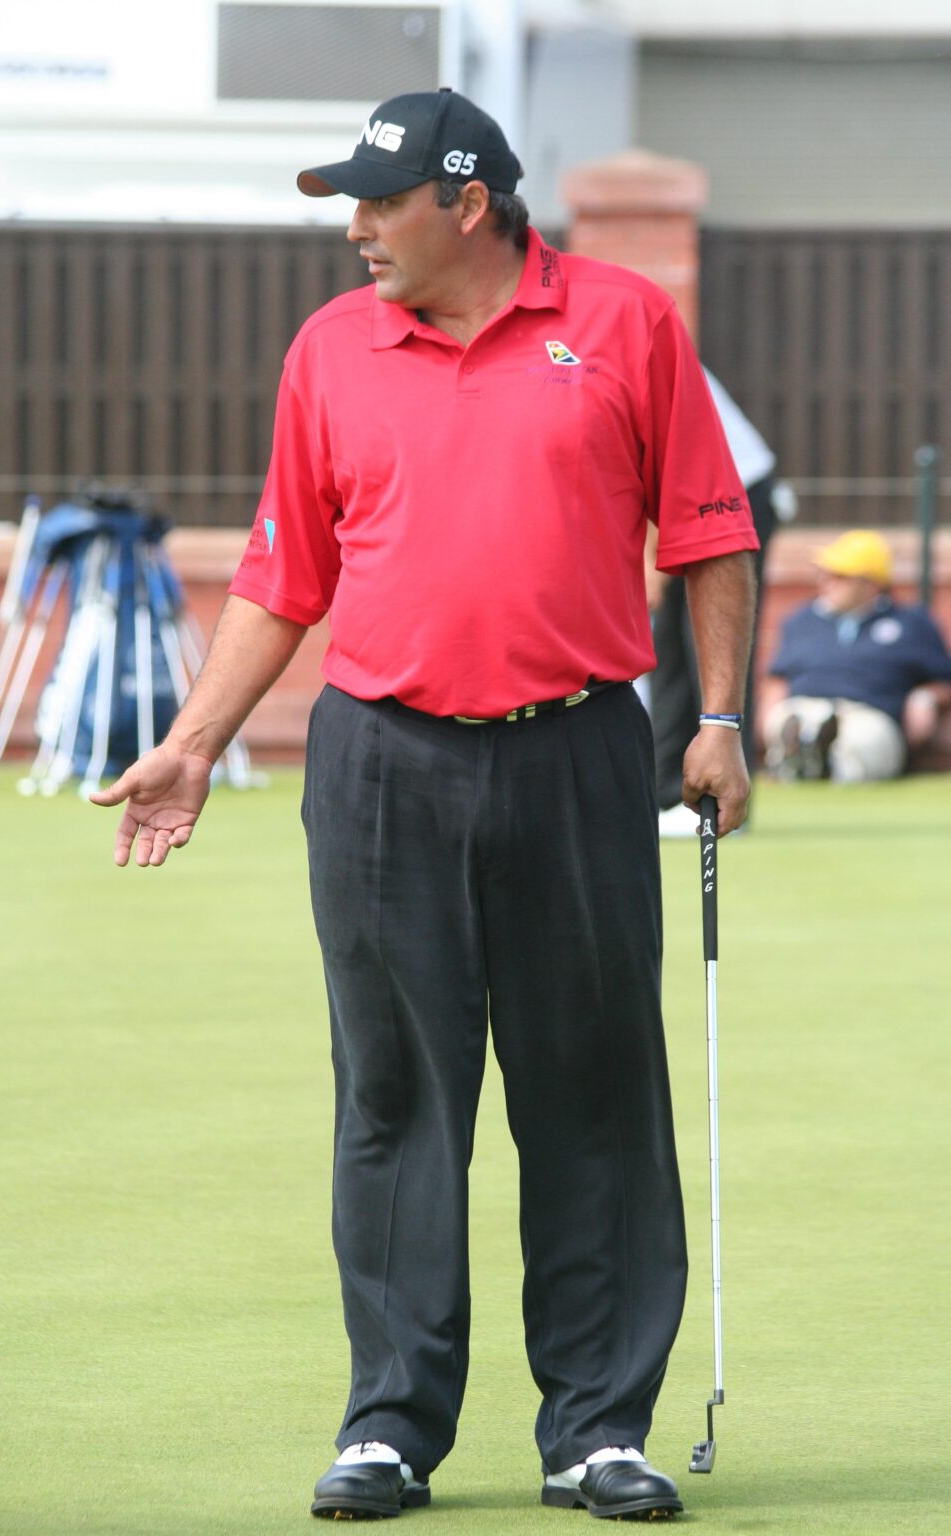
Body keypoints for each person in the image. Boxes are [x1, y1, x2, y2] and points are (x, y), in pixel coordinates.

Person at [92, 89, 758, 1522]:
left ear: (469, 203)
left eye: (378, 202)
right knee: (395, 1100)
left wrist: (713, 719)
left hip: (578, 753)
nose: (354, 231)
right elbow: (283, 576)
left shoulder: (627, 322)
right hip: (381, 763)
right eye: (351, 202)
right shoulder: (332, 349)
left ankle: (596, 1430)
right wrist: (197, 741)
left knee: (593, 1097)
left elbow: (709, 533)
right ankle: (390, 1424)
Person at [649, 369, 782, 836]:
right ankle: (668, 793)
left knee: (711, 640)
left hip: (737, 487)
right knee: (664, 641)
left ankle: (721, 798)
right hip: (678, 495)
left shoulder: (627, 328)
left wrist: (650, 562)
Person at [762, 529, 951, 782]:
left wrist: (926, 697)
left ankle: (816, 762)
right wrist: (766, 715)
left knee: (860, 741)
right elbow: (777, 679)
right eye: (826, 574)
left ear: (871, 583)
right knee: (791, 720)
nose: (827, 583)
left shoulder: (911, 623)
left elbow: (943, 680)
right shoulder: (800, 621)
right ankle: (808, 752)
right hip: (804, 706)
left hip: (869, 714)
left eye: (841, 577)